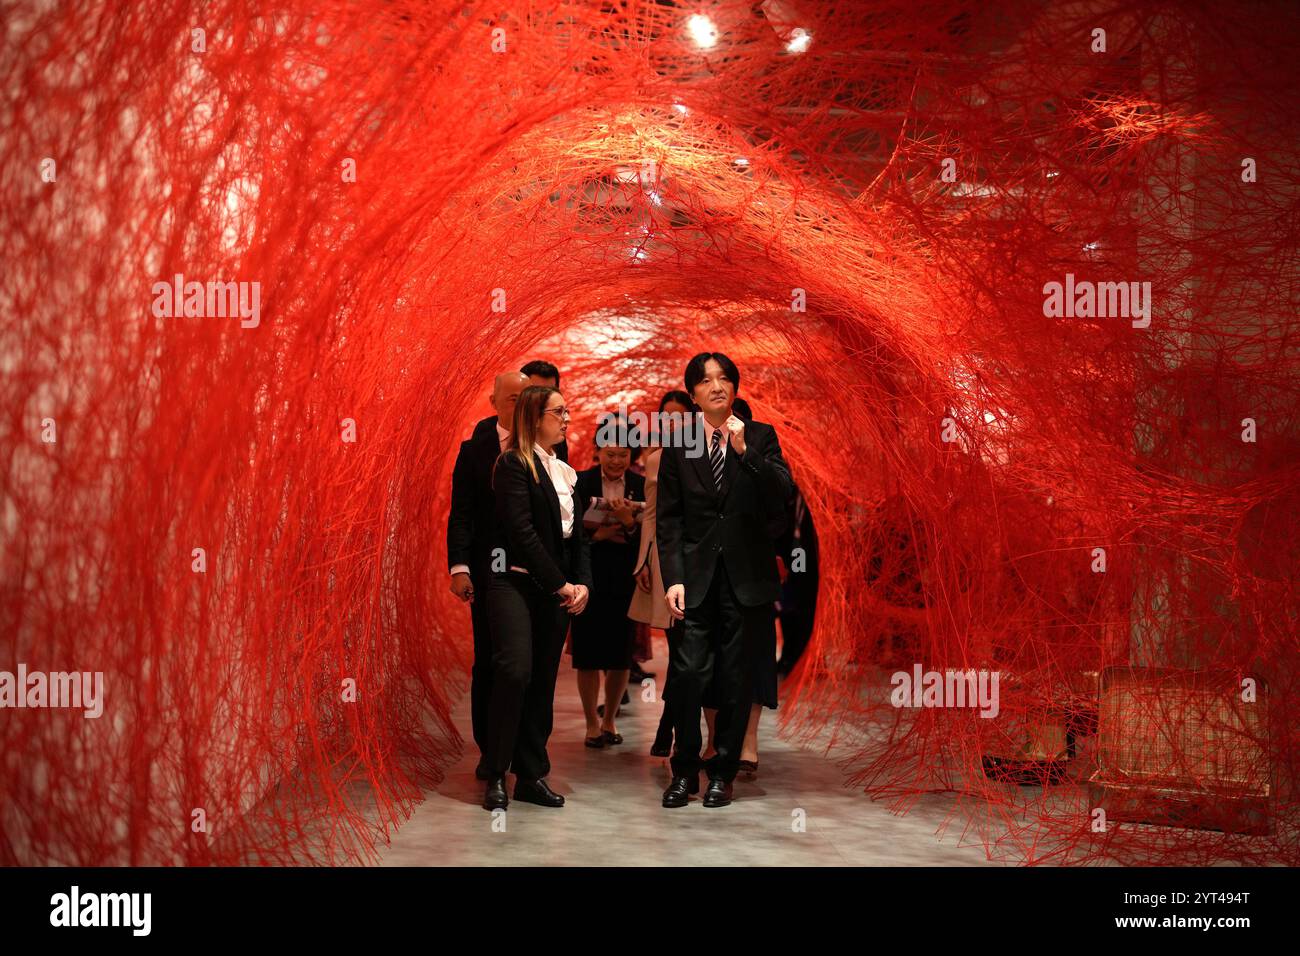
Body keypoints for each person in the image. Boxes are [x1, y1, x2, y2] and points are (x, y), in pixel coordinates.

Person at [657, 352, 792, 808]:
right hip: (694, 580)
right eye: (706, 380)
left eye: (724, 379)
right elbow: (669, 519)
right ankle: (684, 770)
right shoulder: (678, 444)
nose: (717, 386)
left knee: (736, 679)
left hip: (746, 580)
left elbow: (781, 495)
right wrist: (673, 577)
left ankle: (723, 771)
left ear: (734, 387)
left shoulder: (760, 437)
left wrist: (745, 455)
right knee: (688, 674)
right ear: (693, 393)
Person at [481, 386, 592, 810]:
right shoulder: (512, 465)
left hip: (555, 590)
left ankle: (531, 775)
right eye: (559, 412)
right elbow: (521, 534)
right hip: (515, 584)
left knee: (543, 681)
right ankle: (495, 773)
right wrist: (560, 584)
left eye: (567, 412)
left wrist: (582, 584)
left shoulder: (564, 471)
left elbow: (578, 540)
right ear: (534, 416)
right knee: (515, 671)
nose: (567, 419)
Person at [447, 370, 529, 780]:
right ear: (495, 402)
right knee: (491, 661)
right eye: (512, 398)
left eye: (525, 397)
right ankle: (489, 747)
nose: (519, 404)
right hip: (487, 569)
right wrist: (459, 567)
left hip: (532, 570)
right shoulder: (474, 449)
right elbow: (460, 513)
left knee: (521, 663)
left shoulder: (546, 444)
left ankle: (520, 749)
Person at [572, 416, 645, 748]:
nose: (617, 461)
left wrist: (629, 525)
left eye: (623, 454)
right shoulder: (581, 482)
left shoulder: (642, 487)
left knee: (620, 652)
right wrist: (597, 535)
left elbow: (648, 535)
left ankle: (611, 720)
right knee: (587, 652)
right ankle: (590, 722)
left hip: (624, 577)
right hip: (588, 574)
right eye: (610, 453)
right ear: (598, 451)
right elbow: (569, 532)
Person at [628, 390, 694, 757]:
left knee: (689, 656)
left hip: (701, 559)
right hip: (668, 561)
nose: (672, 424)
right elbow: (652, 515)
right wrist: (643, 563)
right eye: (666, 417)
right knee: (679, 650)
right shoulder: (655, 459)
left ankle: (671, 726)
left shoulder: (705, 452)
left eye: (679, 417)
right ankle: (670, 726)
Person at [473, 360, 569, 462]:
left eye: (549, 394)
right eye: (535, 392)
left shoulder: (554, 433)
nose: (542, 401)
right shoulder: (486, 430)